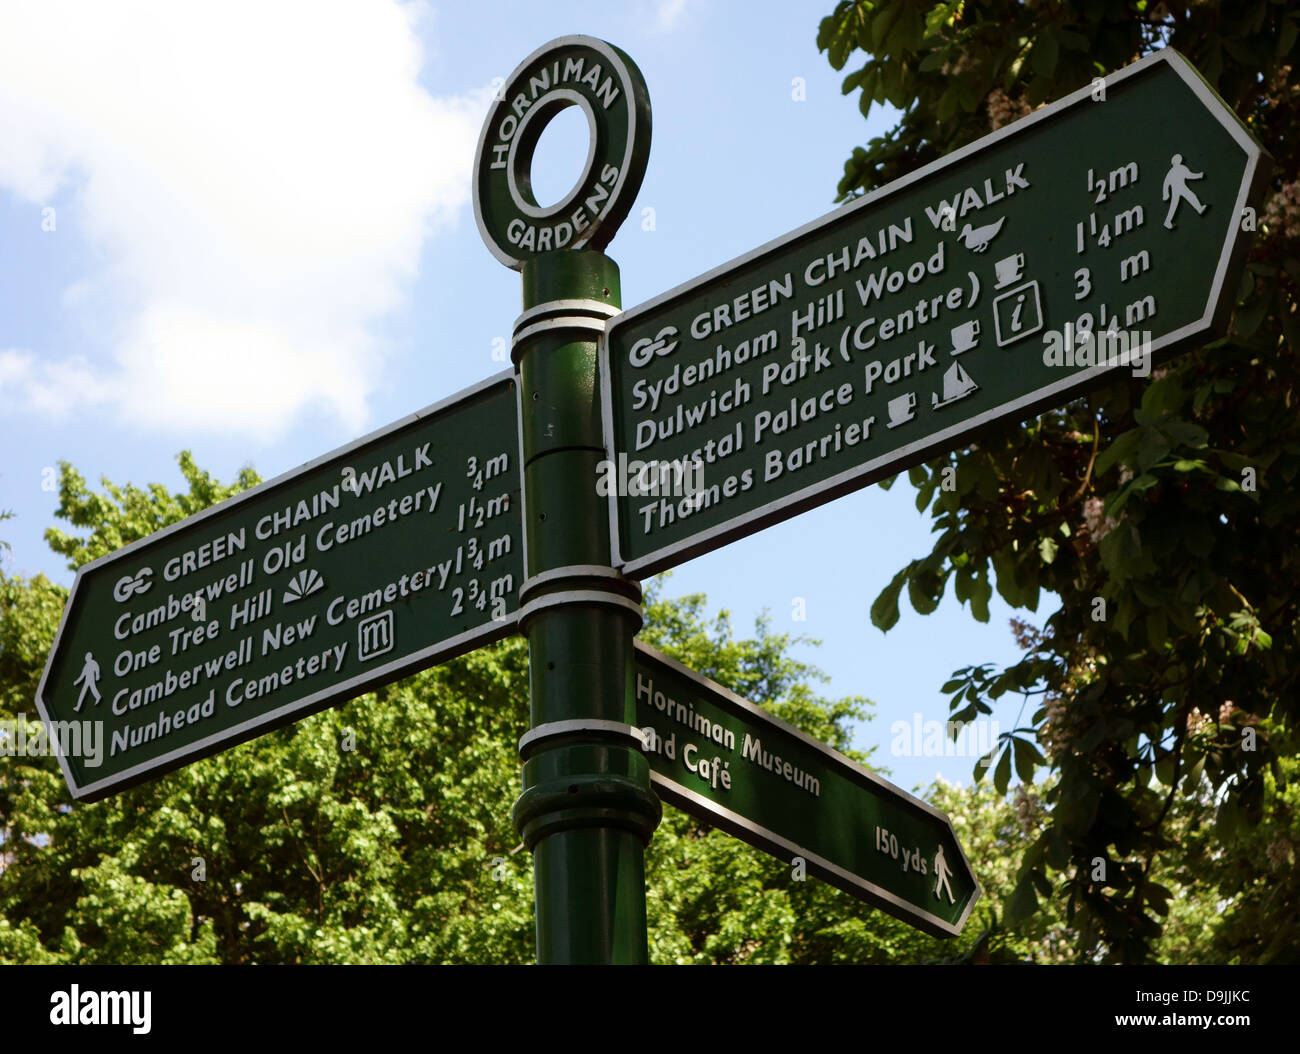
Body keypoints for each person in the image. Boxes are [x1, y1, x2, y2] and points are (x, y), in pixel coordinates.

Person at [1163, 154, 1206, 230]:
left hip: (1181, 187)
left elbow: (1189, 175)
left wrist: (1166, 194)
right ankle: (1167, 222)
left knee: (1191, 197)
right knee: (1174, 206)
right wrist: (1165, 194)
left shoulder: (1179, 168)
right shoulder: (1175, 170)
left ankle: (1200, 209)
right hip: (1178, 189)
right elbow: (1166, 183)